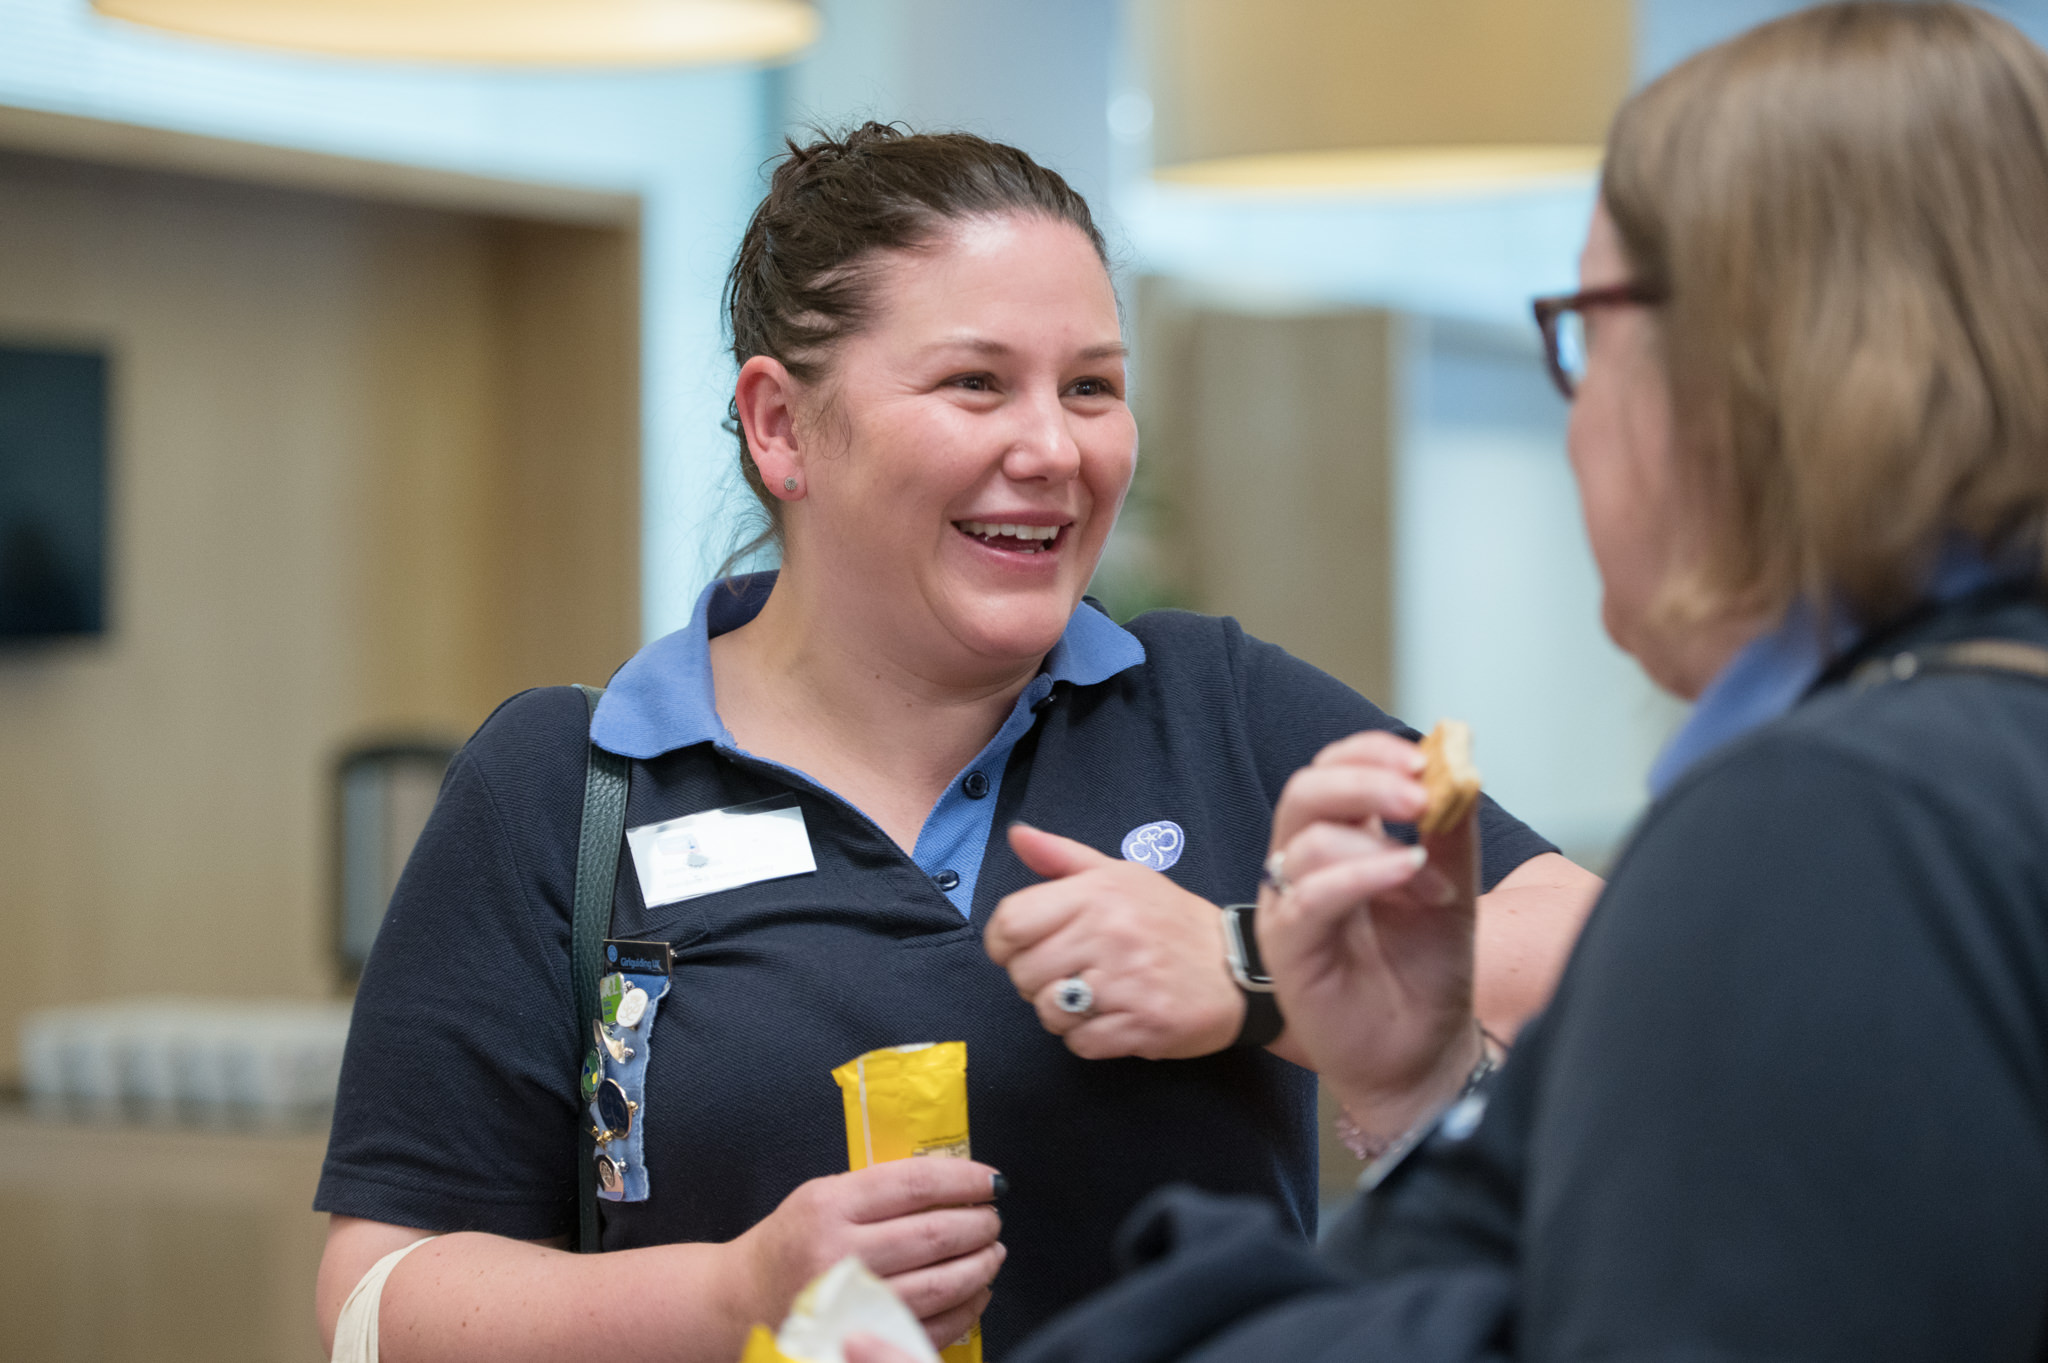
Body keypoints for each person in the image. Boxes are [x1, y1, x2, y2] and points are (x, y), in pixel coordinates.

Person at [310, 125, 1599, 1362]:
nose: (1052, 448)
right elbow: (376, 1308)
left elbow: (1609, 961)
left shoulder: (1218, 707)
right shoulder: (571, 784)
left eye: (1091, 386)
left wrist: (1246, 964)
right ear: (780, 428)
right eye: (976, 382)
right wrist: (731, 1294)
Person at [890, 5, 2048, 1362]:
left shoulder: (1829, 824)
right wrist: (1411, 1073)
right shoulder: (1969, 759)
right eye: (975, 384)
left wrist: (1238, 966)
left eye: (1589, 331)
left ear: (1743, 373)